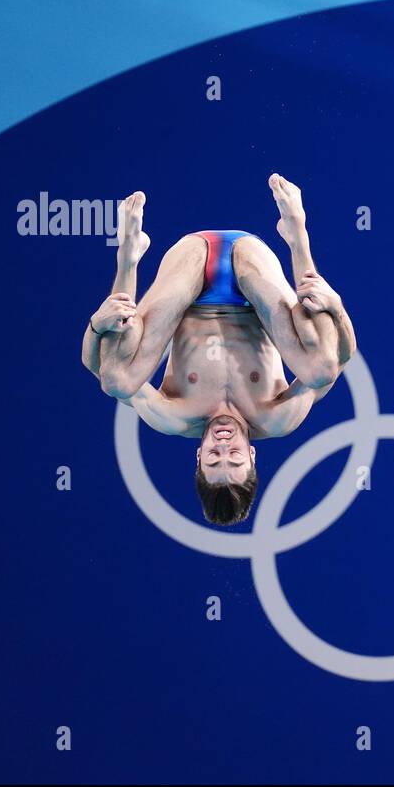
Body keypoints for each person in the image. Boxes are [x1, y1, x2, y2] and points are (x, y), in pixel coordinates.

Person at [81, 175, 356, 525]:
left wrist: (96, 324)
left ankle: (129, 256)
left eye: (214, 458)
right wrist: (337, 306)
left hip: (189, 273)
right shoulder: (278, 418)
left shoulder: (172, 417)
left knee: (118, 380)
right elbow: (342, 357)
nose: (223, 445)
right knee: (321, 368)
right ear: (252, 456)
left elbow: (98, 367)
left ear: (198, 457)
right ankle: (297, 236)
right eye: (234, 458)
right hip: (252, 271)